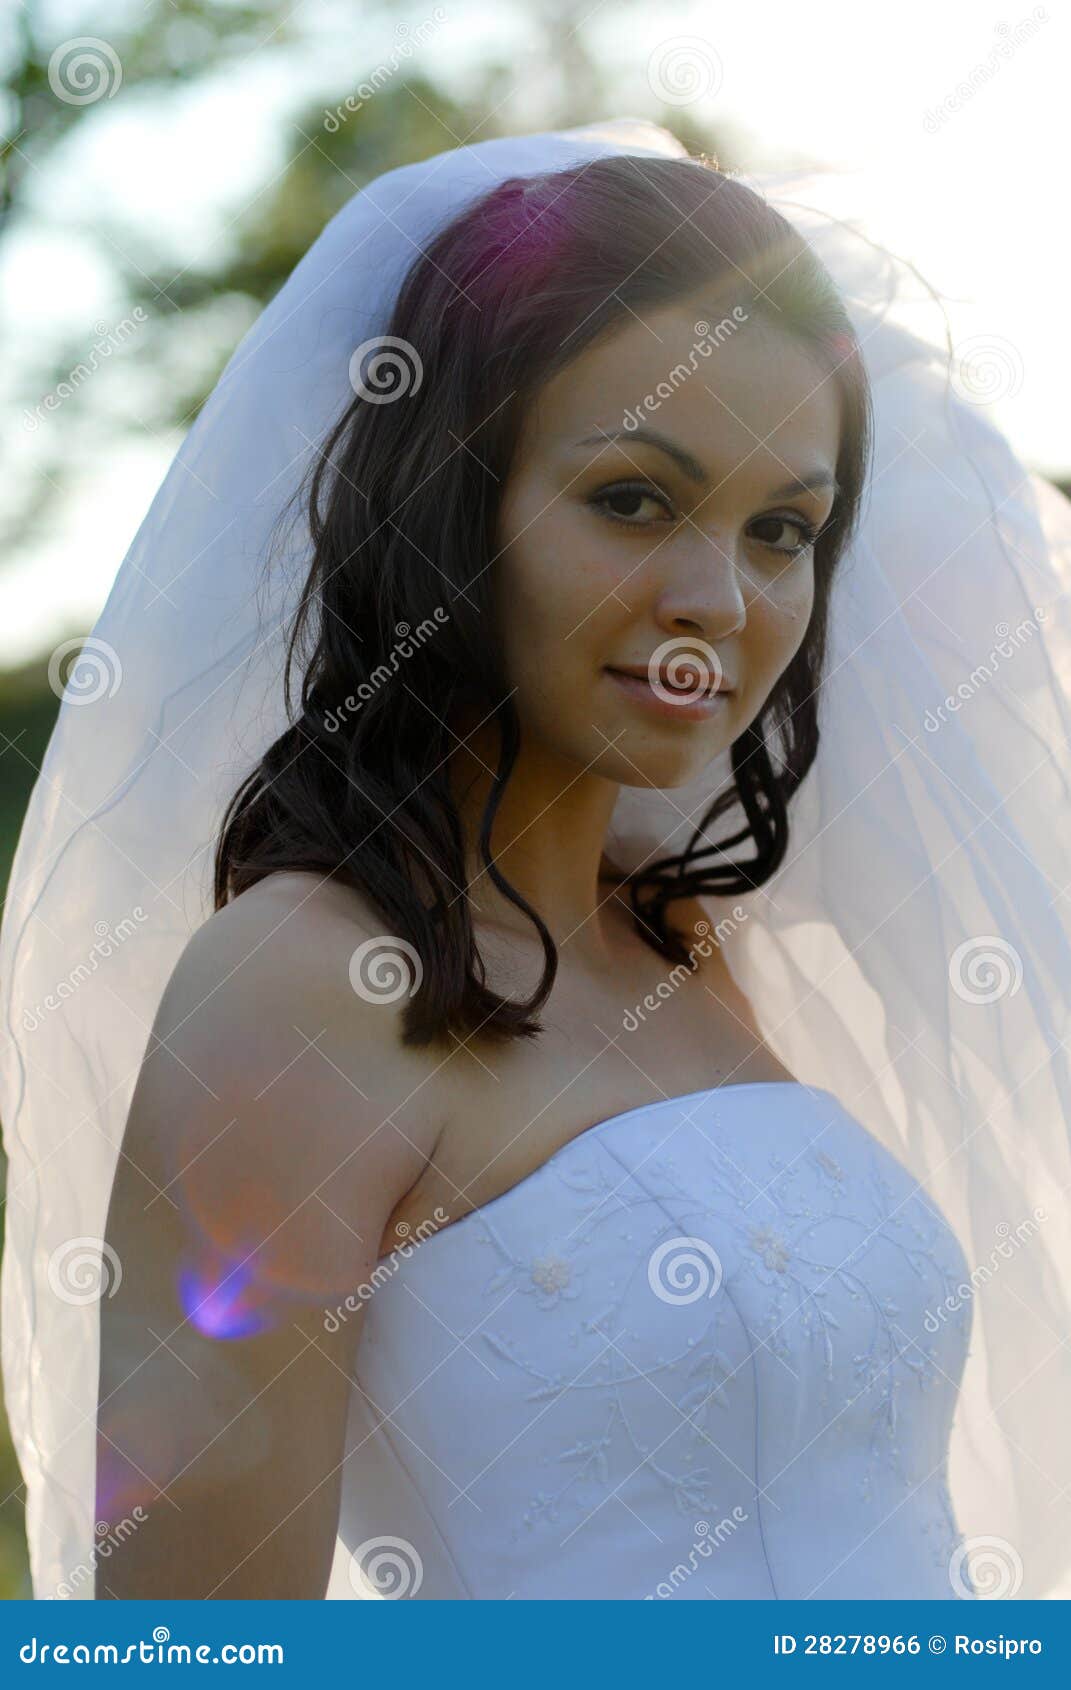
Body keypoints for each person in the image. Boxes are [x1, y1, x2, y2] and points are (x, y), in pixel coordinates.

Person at [3, 119, 1071, 1602]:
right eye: (634, 498)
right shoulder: (298, 989)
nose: (718, 598)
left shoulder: (696, 949)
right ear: (450, 504)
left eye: (783, 529)